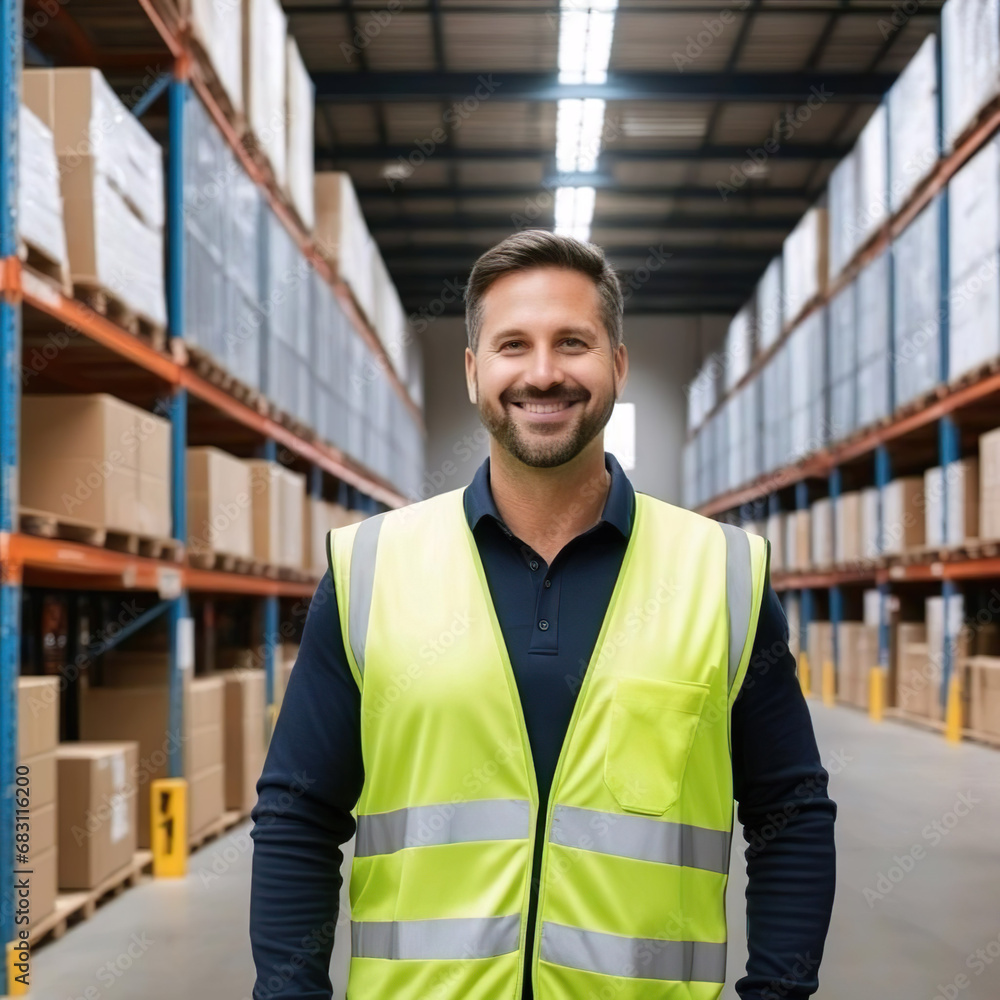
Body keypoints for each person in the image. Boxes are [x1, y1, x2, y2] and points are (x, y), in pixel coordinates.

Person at [249, 230, 837, 1000]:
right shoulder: (372, 568)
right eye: (512, 345)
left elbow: (790, 815)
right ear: (473, 371)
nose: (543, 372)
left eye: (573, 342)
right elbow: (299, 814)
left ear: (618, 366)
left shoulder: (721, 575)